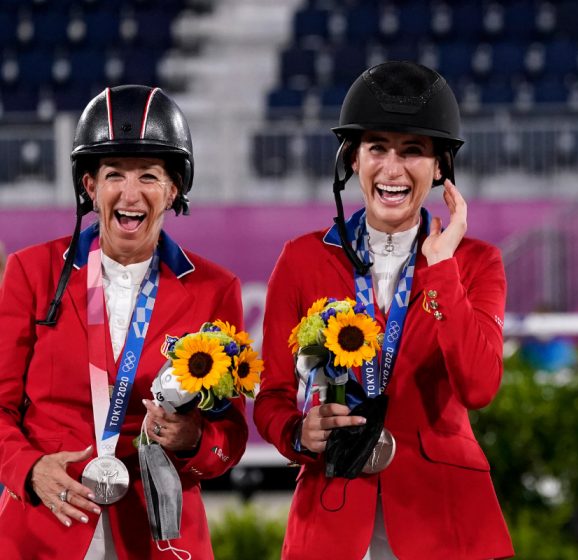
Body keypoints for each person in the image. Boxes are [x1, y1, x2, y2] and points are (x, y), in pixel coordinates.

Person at [254, 61, 513, 560]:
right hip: (330, 513)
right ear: (353, 159)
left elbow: (479, 386)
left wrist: (441, 269)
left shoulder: (476, 263)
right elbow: (273, 396)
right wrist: (296, 433)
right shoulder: (302, 258)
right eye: (377, 148)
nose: (392, 169)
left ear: (440, 167)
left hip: (445, 516)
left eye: (413, 151)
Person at [0, 86, 248, 560]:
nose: (130, 194)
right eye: (114, 174)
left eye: (149, 176)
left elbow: (230, 436)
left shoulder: (216, 290)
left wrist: (194, 437)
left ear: (174, 189)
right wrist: (29, 470)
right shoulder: (32, 273)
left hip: (158, 534)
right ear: (90, 187)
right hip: (43, 526)